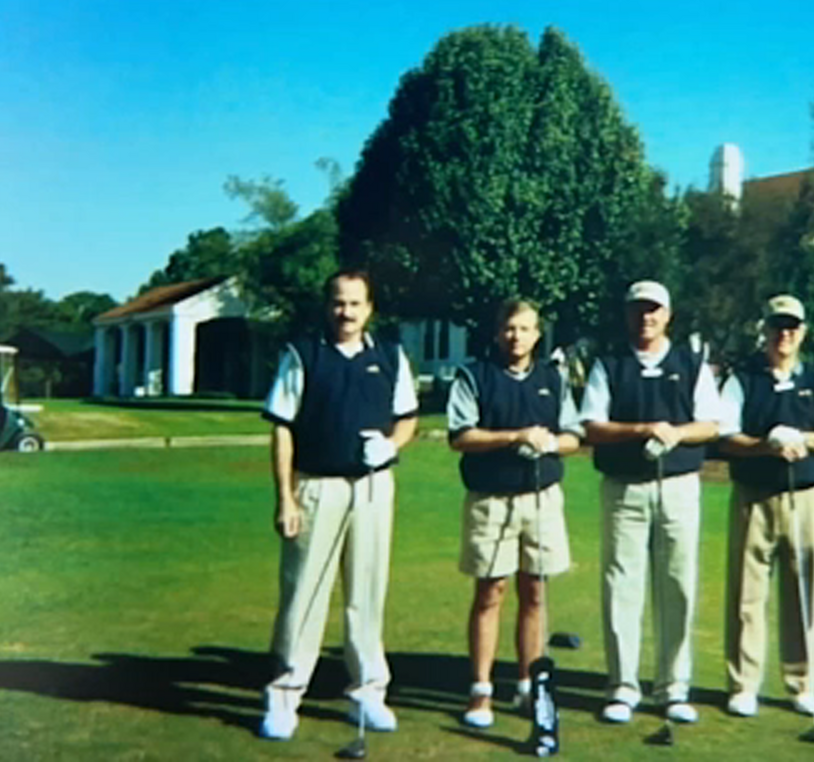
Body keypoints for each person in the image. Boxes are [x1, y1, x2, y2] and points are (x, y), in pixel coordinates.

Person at [257, 271, 419, 741]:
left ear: (369, 308)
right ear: (327, 306)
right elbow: (282, 427)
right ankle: (284, 695)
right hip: (316, 486)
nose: (345, 312)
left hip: (371, 487)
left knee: (366, 594)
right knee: (303, 595)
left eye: (354, 304)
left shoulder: (390, 356)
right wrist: (285, 496)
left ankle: (368, 691)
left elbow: (406, 418)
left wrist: (390, 445)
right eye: (337, 303)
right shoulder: (302, 354)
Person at [579, 280, 723, 725]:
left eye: (654, 309)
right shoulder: (609, 365)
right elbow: (592, 426)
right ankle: (623, 686)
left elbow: (711, 424)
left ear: (668, 314)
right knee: (622, 584)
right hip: (624, 488)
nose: (647, 317)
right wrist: (643, 429)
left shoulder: (691, 364)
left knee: (677, 583)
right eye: (639, 309)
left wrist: (676, 433)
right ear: (628, 315)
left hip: (679, 486)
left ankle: (673, 686)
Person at [447, 299, 583, 728]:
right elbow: (460, 436)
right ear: (496, 333)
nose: (516, 337)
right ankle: (480, 690)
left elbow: (574, 436)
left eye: (524, 329)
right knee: (491, 592)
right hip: (491, 499)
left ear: (537, 335)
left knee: (536, 592)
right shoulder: (474, 375)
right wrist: (512, 438)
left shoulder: (553, 378)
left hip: (542, 498)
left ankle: (528, 686)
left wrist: (549, 443)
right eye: (509, 329)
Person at [716, 295, 814, 718]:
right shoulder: (743, 379)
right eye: (777, 325)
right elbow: (726, 436)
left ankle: (801, 683)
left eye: (792, 326)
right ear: (766, 329)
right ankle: (743, 685)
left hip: (805, 498)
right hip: (753, 497)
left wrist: (801, 439)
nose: (784, 333)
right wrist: (764, 444)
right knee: (746, 595)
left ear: (803, 332)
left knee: (802, 590)